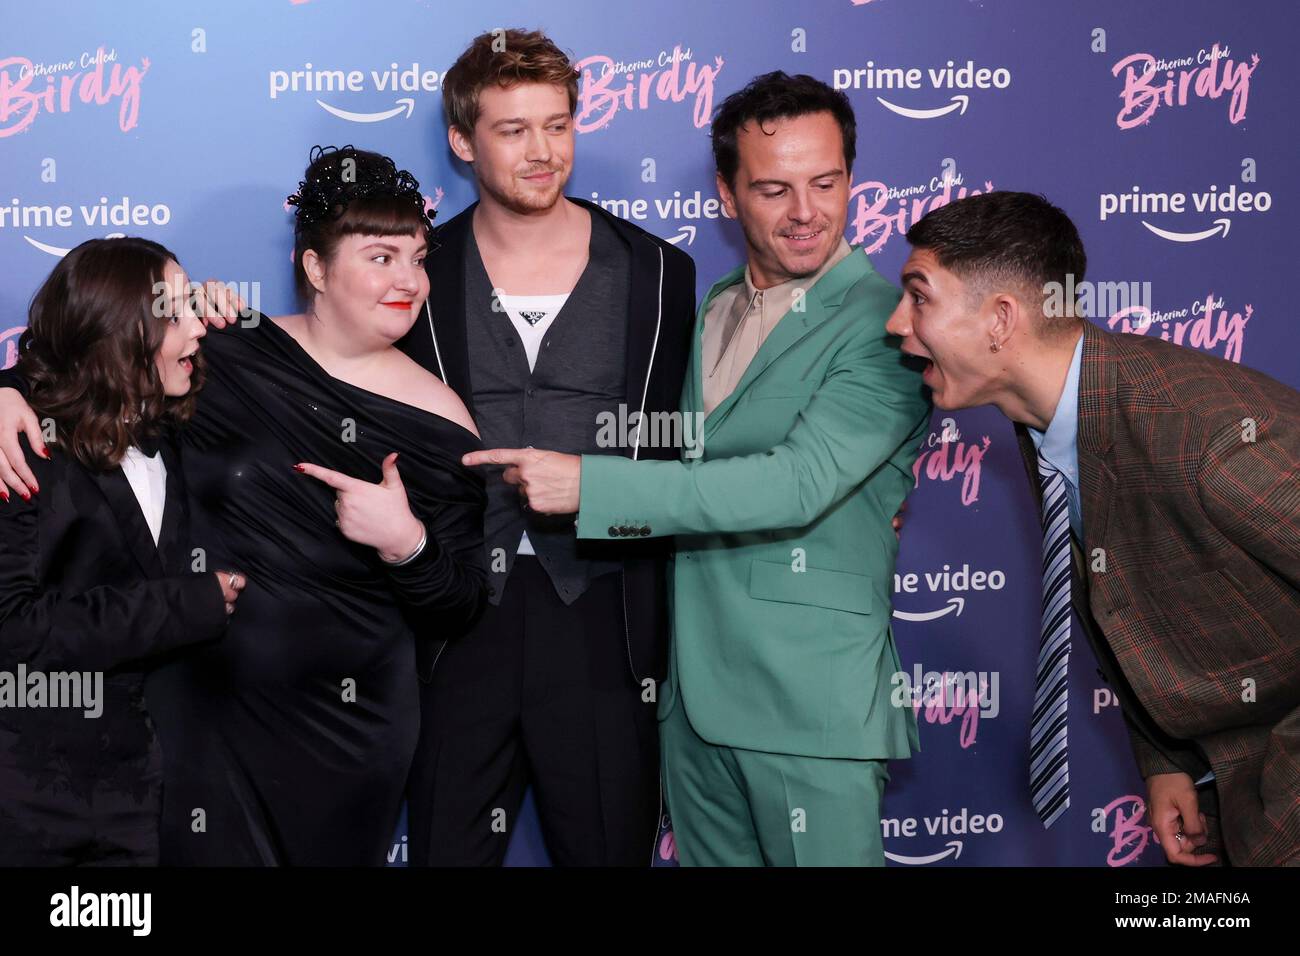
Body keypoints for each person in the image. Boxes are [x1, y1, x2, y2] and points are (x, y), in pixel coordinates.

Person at [468, 72, 932, 866]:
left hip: (807, 707)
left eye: (827, 183)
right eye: (774, 189)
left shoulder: (886, 326)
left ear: (854, 179)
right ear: (727, 194)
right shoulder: (712, 303)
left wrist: (592, 486)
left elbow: (793, 482)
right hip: (689, 705)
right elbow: (680, 449)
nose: (806, 212)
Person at [0, 146, 489, 865]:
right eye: (381, 257)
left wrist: (406, 544)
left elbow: (462, 602)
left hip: (349, 725)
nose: (409, 281)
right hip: (198, 708)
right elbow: (94, 362)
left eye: (418, 258)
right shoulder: (228, 350)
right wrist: (4, 388)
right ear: (316, 268)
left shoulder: (445, 420)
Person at [884, 189, 1300, 866]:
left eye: (920, 296)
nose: (897, 324)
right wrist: (1166, 759)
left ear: (1000, 319)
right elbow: (1132, 592)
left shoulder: (1210, 438)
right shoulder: (1049, 419)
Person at [372, 28, 694, 867]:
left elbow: (709, 429)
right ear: (461, 142)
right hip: (453, 622)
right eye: (514, 130)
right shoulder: (415, 273)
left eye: (558, 125)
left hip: (605, 620)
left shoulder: (660, 273)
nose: (543, 152)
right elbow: (300, 356)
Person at [0, 237, 243, 865]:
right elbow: (15, 631)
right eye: (174, 311)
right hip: (41, 808)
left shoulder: (184, 424)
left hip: (164, 800)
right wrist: (187, 604)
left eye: (192, 305)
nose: (195, 327)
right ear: (118, 328)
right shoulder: (22, 445)